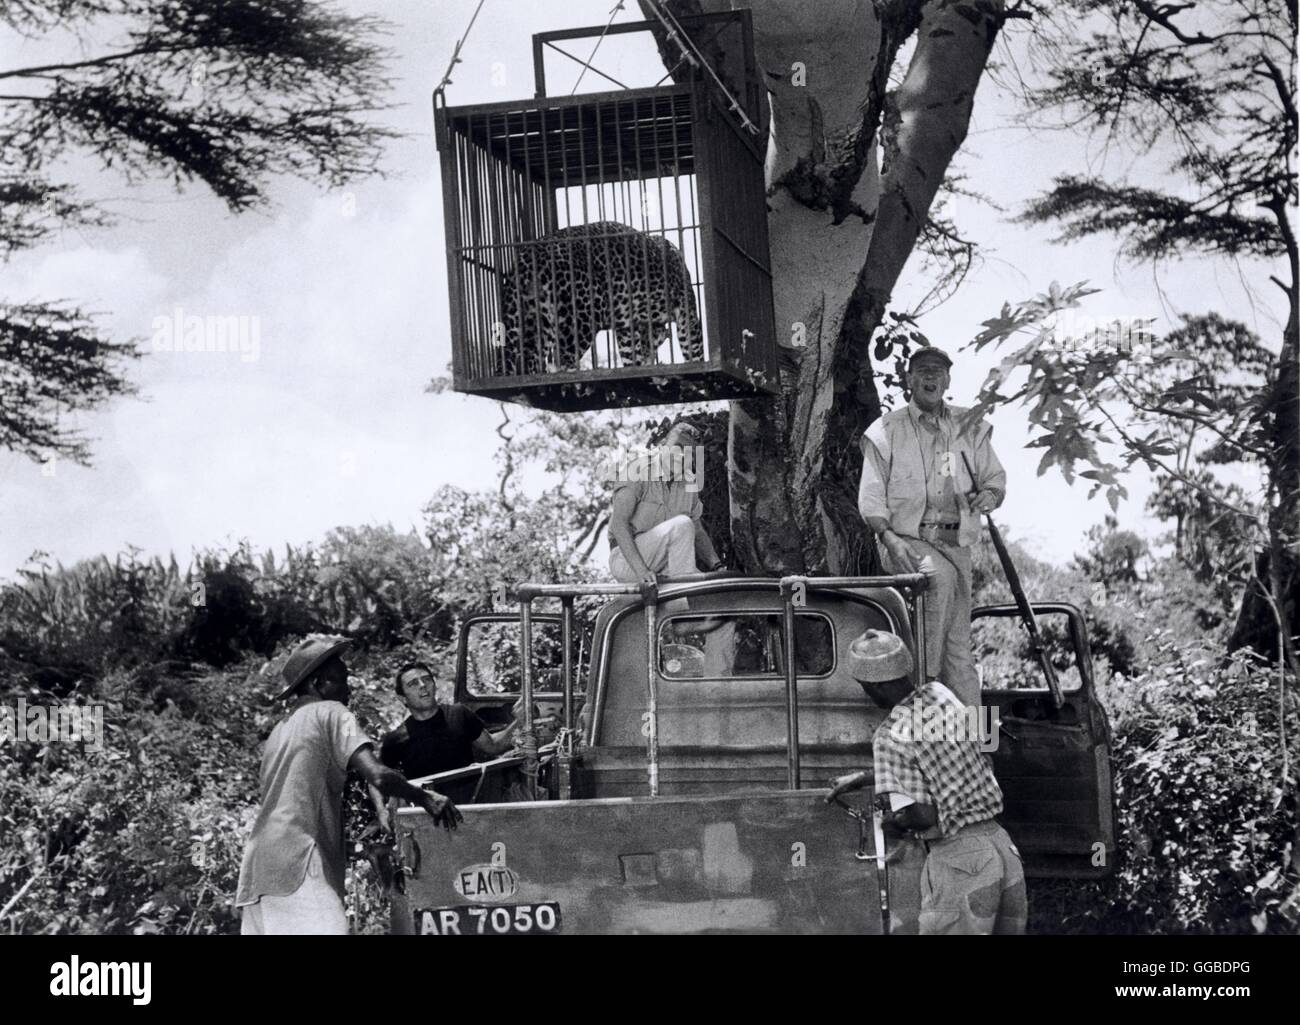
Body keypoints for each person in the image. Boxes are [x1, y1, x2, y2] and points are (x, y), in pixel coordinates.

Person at [236, 636, 462, 935]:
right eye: (341, 679)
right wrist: (424, 797)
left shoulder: (280, 731)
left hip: (258, 871)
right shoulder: (331, 711)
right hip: (299, 863)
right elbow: (378, 775)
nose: (349, 688)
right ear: (318, 684)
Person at [828, 629, 1026, 935]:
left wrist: (892, 822)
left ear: (875, 686)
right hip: (1001, 848)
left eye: (865, 687)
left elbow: (923, 815)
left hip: (961, 863)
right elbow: (949, 761)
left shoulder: (888, 735)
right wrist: (868, 777)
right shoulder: (941, 695)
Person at [857, 345, 1006, 707]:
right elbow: (871, 498)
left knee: (961, 654)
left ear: (948, 380)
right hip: (906, 541)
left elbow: (995, 480)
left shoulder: (969, 426)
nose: (930, 377)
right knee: (938, 577)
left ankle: (977, 753)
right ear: (909, 379)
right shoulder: (886, 430)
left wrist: (988, 496)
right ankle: (922, 693)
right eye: (922, 370)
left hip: (958, 545)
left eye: (938, 372)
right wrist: (889, 539)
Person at [368, 662, 519, 822]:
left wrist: (519, 722)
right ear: (402, 698)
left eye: (426, 679)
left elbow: (494, 745)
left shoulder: (459, 714)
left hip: (472, 809)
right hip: (431, 819)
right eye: (413, 684)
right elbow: (375, 778)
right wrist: (381, 809)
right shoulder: (396, 739)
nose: (422, 686)